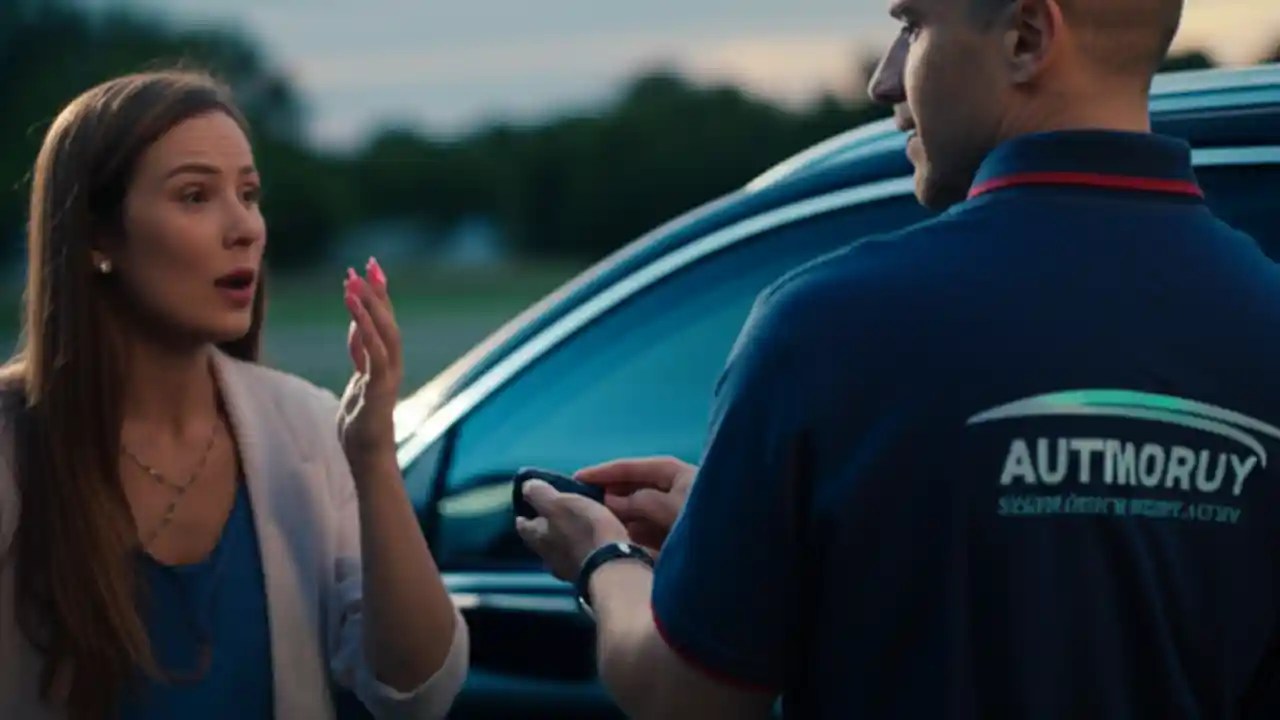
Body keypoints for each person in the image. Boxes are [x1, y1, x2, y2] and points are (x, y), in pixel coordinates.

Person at [515, 0, 1280, 717]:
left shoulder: (828, 325)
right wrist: (750, 527)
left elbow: (686, 697)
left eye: (914, 26)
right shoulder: (1264, 314)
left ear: (1025, 39)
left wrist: (604, 563)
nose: (884, 80)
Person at [0, 70, 468, 720]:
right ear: (97, 238)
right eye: (195, 196)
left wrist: (373, 462)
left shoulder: (306, 429)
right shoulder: (12, 446)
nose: (244, 227)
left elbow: (419, 691)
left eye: (249, 195)